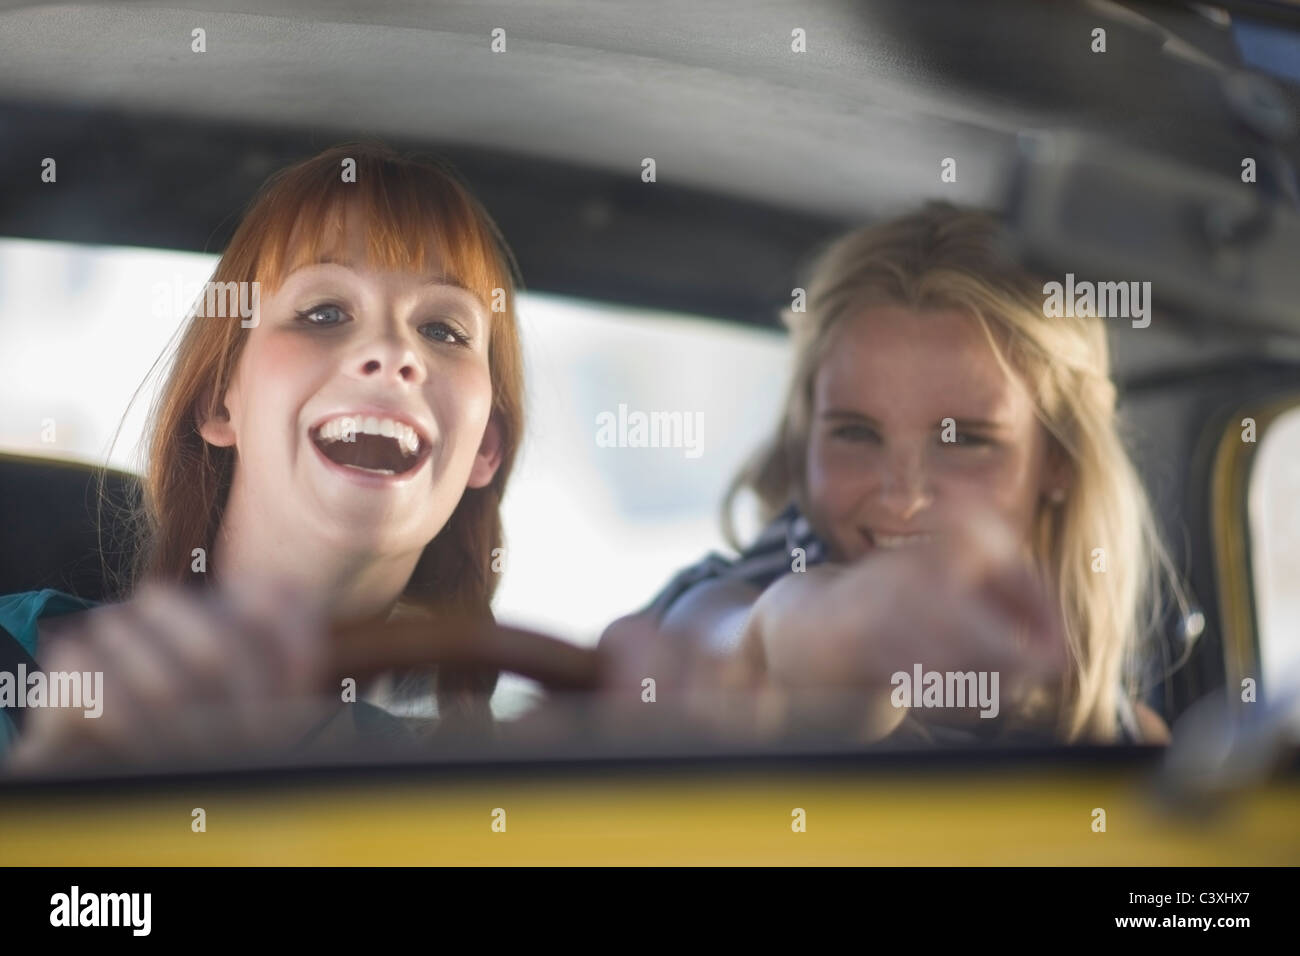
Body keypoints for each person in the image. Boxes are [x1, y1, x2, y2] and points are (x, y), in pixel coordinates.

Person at [0, 142, 525, 767]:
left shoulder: (439, 786)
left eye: (443, 330)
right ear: (220, 403)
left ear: (485, 446)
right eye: (325, 312)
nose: (392, 351)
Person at [601, 202, 1184, 745]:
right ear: (805, 438)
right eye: (855, 432)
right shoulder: (711, 606)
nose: (902, 496)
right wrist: (858, 624)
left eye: (966, 441)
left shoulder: (1129, 736)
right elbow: (749, 640)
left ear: (1057, 461)